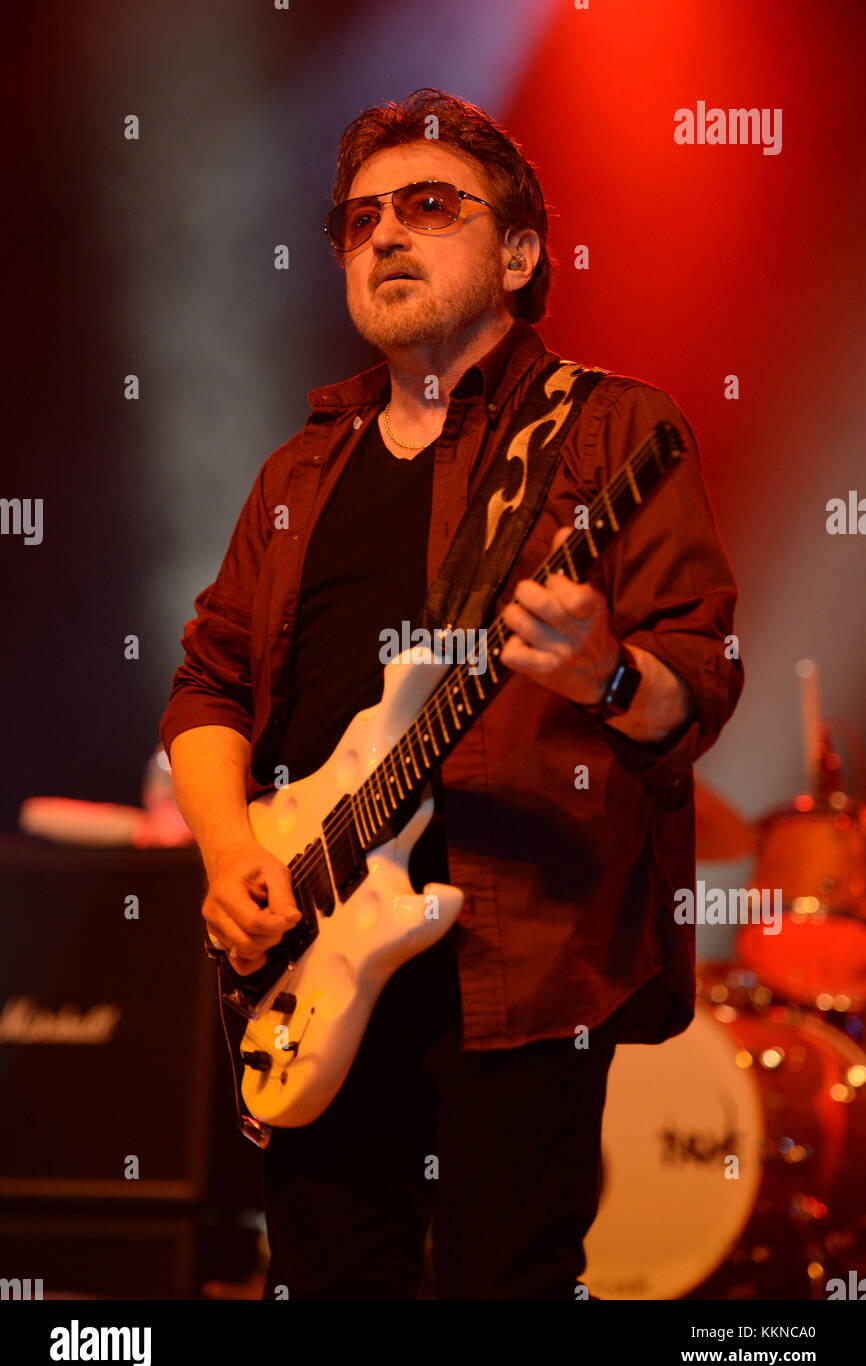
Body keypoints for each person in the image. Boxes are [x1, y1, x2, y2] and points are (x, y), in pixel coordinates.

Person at [159, 88, 743, 1300]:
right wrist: (228, 859)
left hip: (519, 960)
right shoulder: (300, 467)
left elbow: (698, 679)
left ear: (520, 251)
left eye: (428, 206)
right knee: (326, 1276)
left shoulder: (608, 431)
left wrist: (609, 675)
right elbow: (207, 683)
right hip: (311, 948)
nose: (383, 234)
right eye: (355, 218)